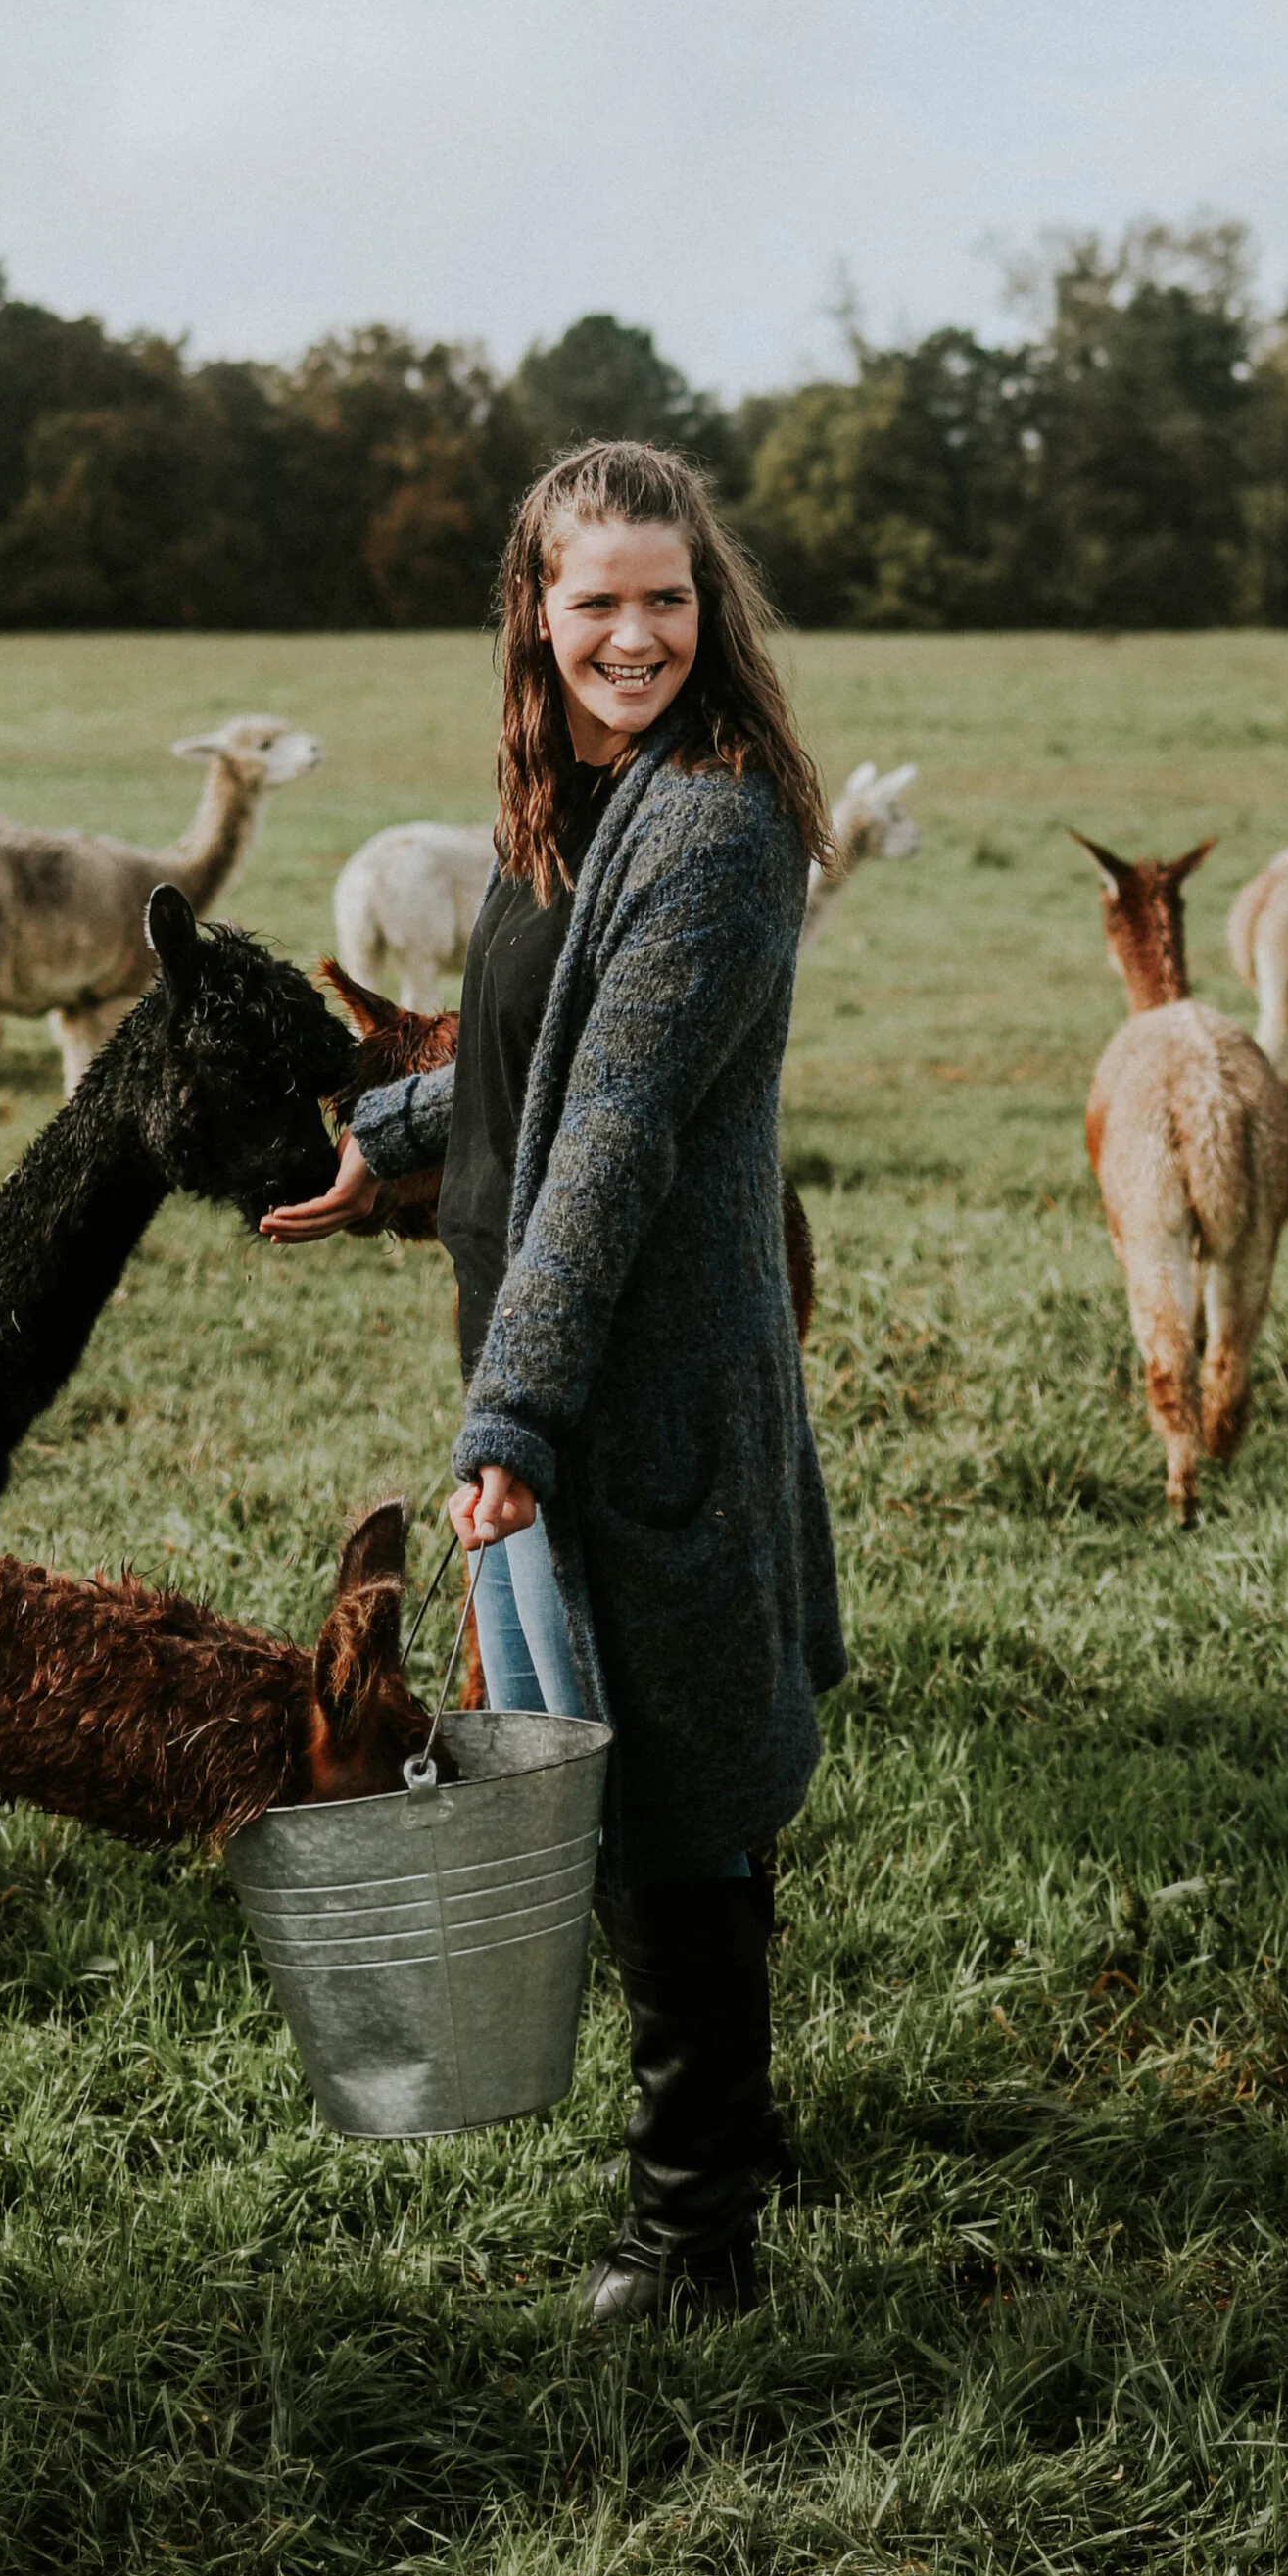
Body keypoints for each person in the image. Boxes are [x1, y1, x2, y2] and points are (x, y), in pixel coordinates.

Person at [261, 439, 843, 2318]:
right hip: (550, 1349)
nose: (634, 634)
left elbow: (605, 1133)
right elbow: (529, 1052)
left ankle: (697, 2239)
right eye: (595, 599)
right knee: (632, 1764)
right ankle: (731, 2135)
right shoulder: (576, 795)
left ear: (710, 606)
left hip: (638, 1382)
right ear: (535, 607)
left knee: (665, 1794)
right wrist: (400, 1129)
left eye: (667, 599)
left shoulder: (720, 821)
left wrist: (511, 1420)